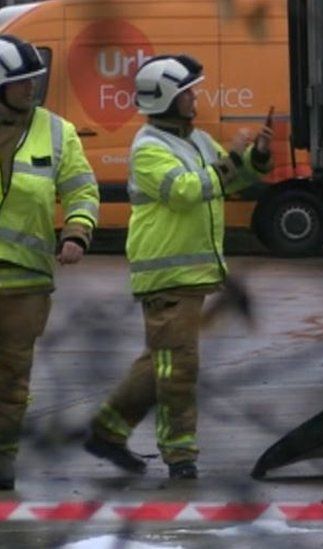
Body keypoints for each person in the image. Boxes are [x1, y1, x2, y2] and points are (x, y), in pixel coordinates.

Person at [83, 54, 273, 480]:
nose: (195, 97)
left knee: (162, 361)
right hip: (166, 275)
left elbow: (230, 182)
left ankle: (107, 432)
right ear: (167, 97)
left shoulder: (197, 140)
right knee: (179, 367)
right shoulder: (149, 148)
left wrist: (255, 157)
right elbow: (188, 191)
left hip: (191, 275)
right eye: (188, 91)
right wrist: (231, 160)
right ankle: (179, 455)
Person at [0, 35, 100, 490]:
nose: (33, 89)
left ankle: (2, 459)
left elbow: (81, 188)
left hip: (25, 284)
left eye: (34, 80)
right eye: (22, 82)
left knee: (10, 379)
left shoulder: (57, 131)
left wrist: (77, 230)